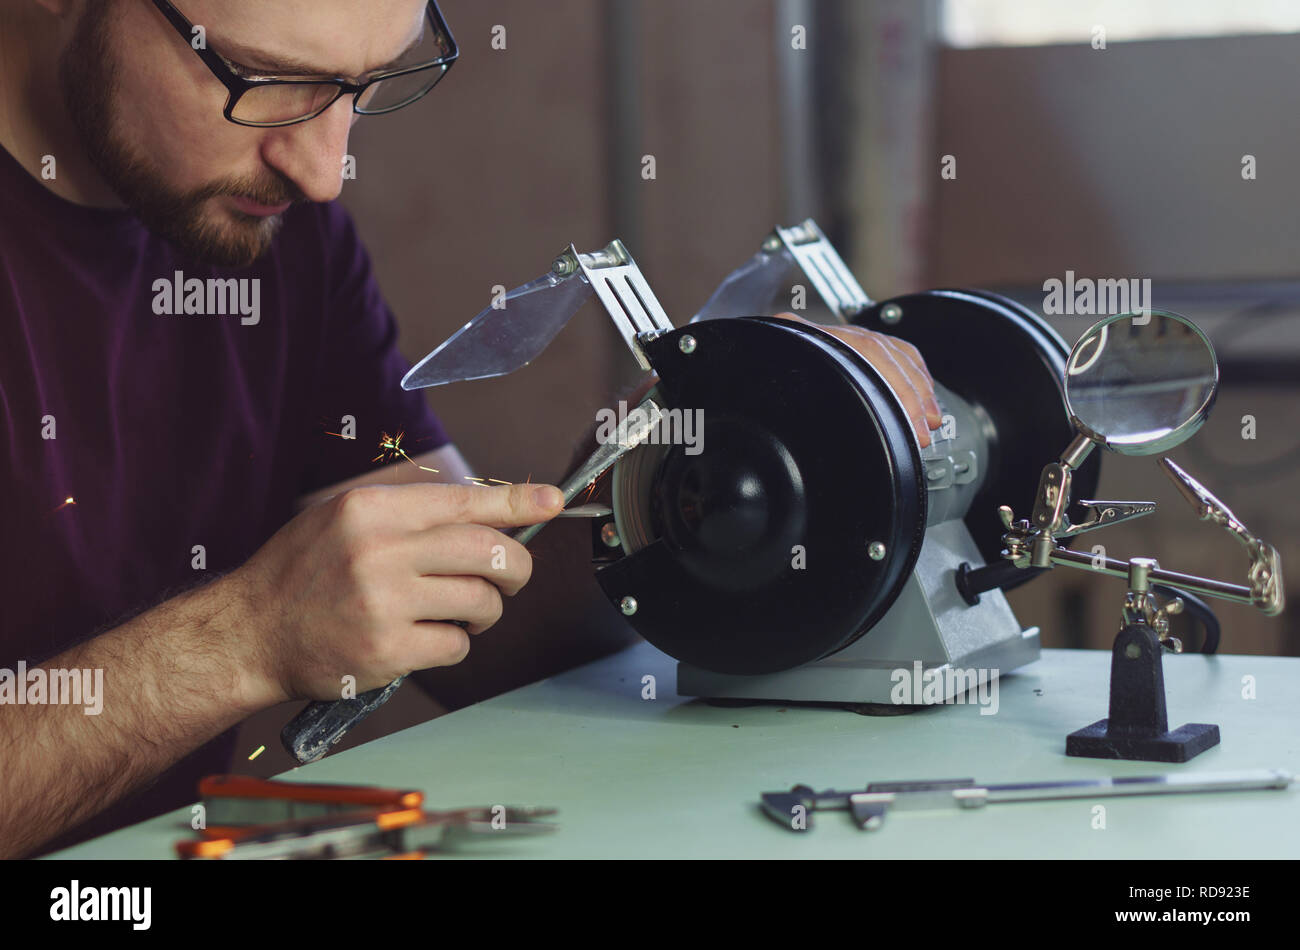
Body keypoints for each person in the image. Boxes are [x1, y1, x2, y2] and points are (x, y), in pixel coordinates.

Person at [0, 0, 940, 858]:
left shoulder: (275, 227)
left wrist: (648, 470)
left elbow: (484, 635)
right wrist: (246, 636)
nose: (325, 173)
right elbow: (270, 626)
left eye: (363, 89)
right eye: (267, 81)